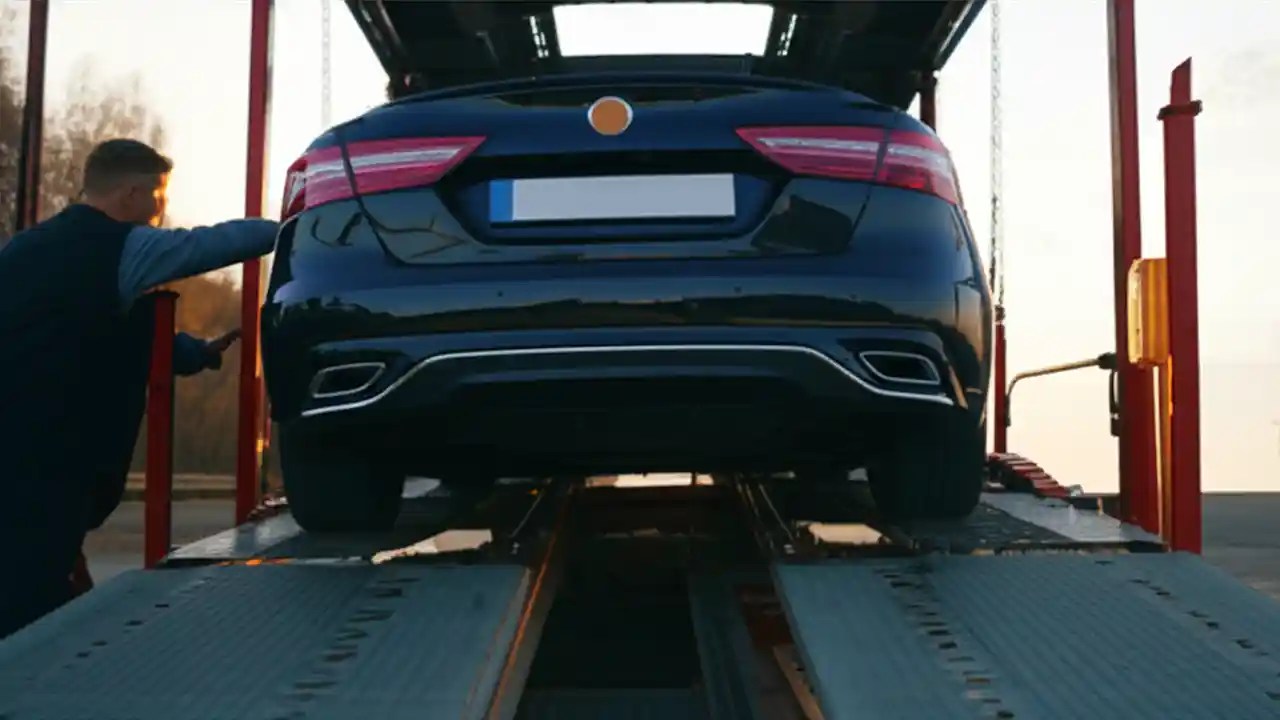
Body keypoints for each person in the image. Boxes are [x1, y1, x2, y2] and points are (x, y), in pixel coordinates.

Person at [0, 138, 280, 639]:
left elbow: (94, 334)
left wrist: (193, 353)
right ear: (128, 194)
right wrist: (294, 225)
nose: (160, 209)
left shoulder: (25, 248)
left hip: (19, 444)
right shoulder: (118, 244)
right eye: (156, 194)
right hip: (54, 457)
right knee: (27, 606)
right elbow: (208, 244)